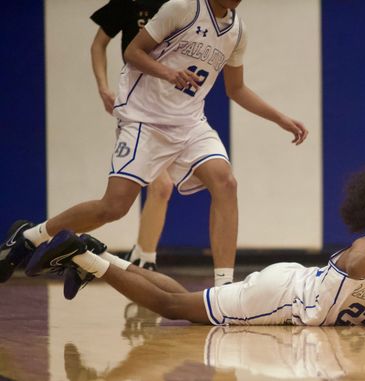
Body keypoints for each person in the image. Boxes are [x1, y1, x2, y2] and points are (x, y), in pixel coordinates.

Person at [0, 0, 308, 291]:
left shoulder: (238, 31)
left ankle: (224, 288)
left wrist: (279, 117)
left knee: (225, 182)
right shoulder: (181, 8)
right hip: (144, 119)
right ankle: (30, 236)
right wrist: (168, 73)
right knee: (114, 207)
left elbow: (236, 89)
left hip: (189, 122)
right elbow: (133, 52)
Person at [14, 162, 365, 327]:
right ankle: (84, 257)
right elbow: (358, 269)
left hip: (290, 291)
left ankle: (96, 254)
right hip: (282, 298)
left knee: (184, 299)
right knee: (176, 311)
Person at [90, 0, 169, 272]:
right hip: (136, 106)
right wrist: (103, 87)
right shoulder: (127, 4)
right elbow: (98, 44)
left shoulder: (180, 5)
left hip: (172, 108)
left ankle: (143, 256)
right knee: (140, 193)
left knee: (164, 187)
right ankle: (41, 237)